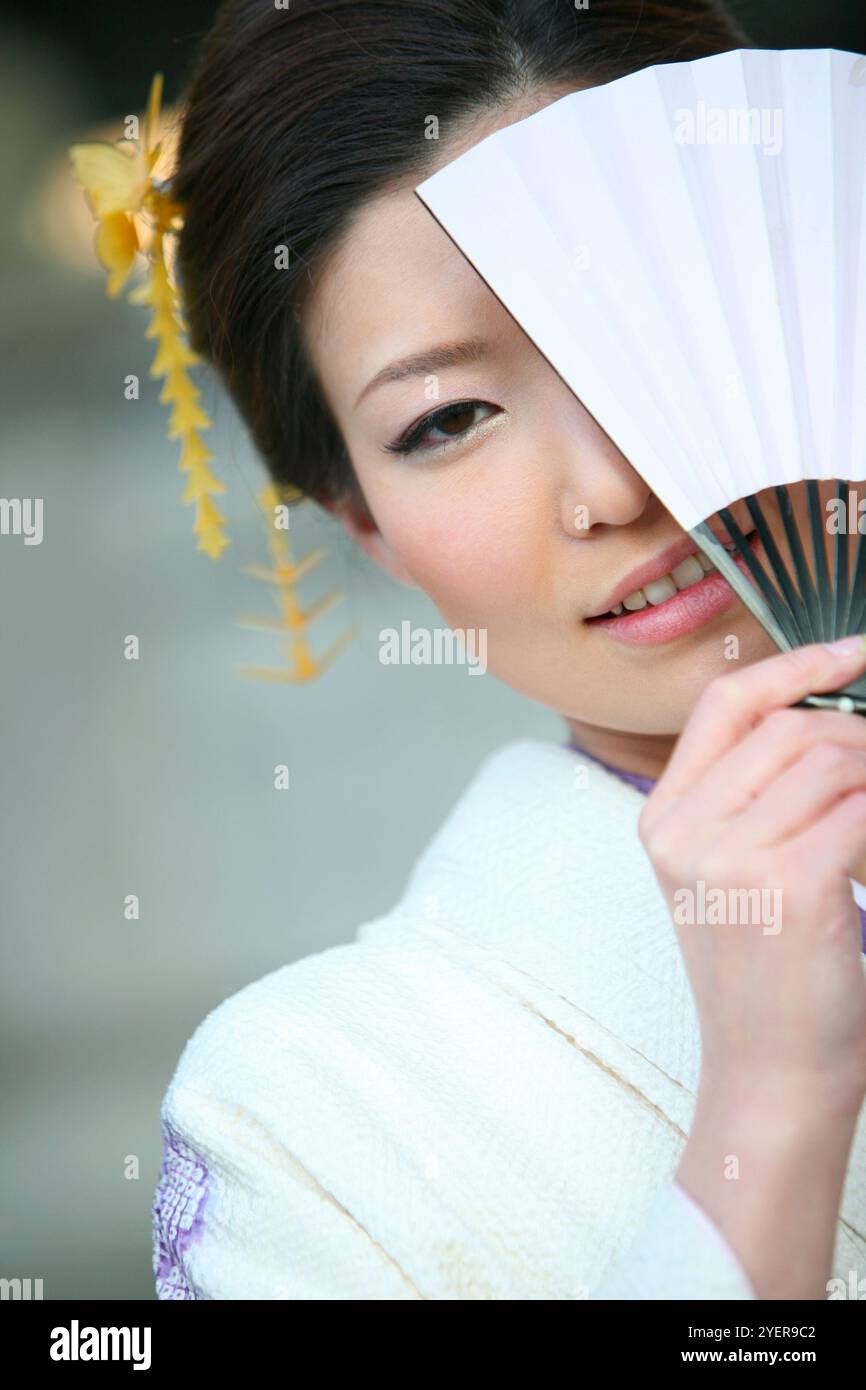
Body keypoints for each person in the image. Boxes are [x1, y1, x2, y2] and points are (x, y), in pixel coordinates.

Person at [150, 0, 866, 1299]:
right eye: (449, 417)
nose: (612, 481)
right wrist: (767, 1112)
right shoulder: (307, 1113)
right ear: (364, 524)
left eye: (658, 324)